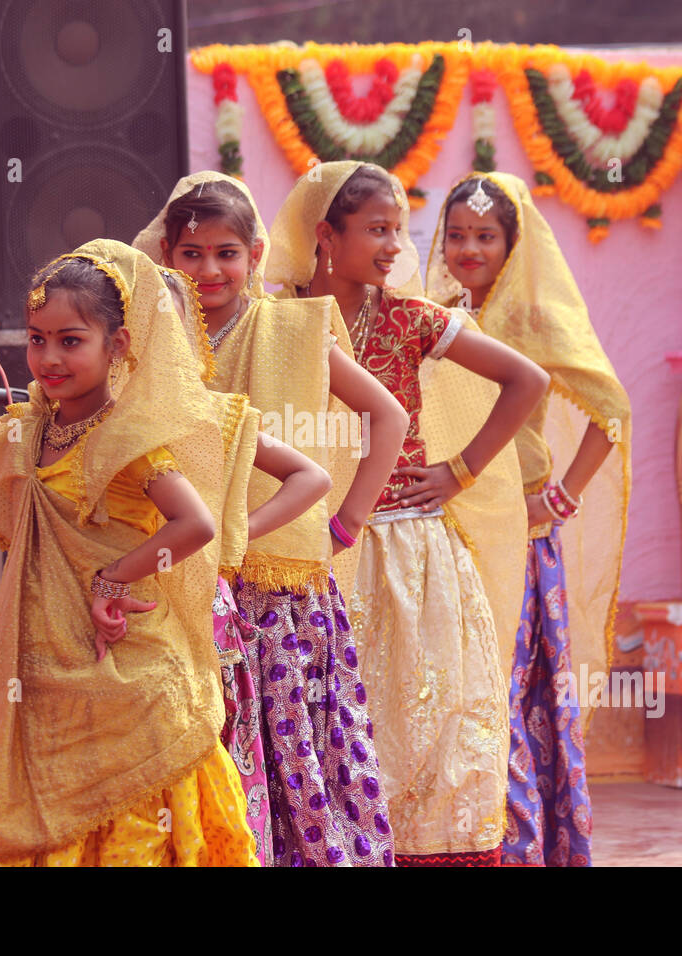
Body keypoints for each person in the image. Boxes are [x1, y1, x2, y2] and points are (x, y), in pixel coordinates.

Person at [0, 239, 321, 866]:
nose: (48, 357)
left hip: (133, 666)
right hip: (46, 664)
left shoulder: (132, 437)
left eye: (71, 340)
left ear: (118, 345)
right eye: (37, 339)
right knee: (42, 803)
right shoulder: (28, 430)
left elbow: (196, 524)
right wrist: (47, 563)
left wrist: (111, 578)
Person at [267, 160, 548, 866]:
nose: (397, 246)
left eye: (400, 229)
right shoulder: (279, 318)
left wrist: (459, 470)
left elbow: (527, 380)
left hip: (408, 554)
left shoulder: (409, 318)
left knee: (426, 730)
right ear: (327, 236)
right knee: (324, 729)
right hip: (313, 552)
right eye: (378, 229)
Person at [134, 172, 408, 866]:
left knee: (295, 755)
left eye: (226, 252)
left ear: (256, 256)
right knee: (214, 755)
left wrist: (345, 523)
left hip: (281, 595)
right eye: (191, 255)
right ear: (167, 256)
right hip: (187, 593)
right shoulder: (148, 341)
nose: (209, 270)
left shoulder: (295, 327)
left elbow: (388, 415)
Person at [426, 172, 632, 866]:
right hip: (454, 527)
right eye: (456, 236)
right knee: (465, 686)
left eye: (485, 236)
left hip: (520, 535)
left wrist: (562, 497)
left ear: (513, 244)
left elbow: (612, 412)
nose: (468, 249)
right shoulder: (441, 313)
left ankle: (524, 846)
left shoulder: (535, 319)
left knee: (511, 688)